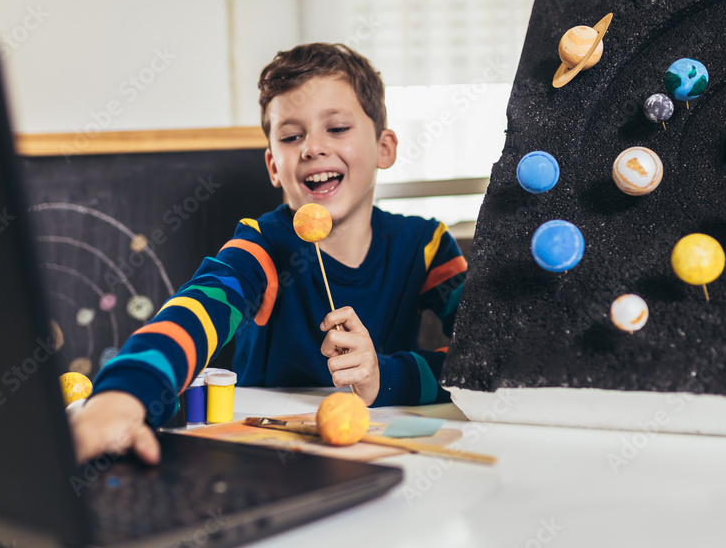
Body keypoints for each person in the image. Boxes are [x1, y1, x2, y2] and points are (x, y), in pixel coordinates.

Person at [71, 43, 468, 464]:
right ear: (274, 166)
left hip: (387, 455)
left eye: (336, 129)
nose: (312, 148)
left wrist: (386, 377)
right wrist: (120, 399)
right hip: (267, 458)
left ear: (384, 147)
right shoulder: (261, 243)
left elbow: (486, 360)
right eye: (292, 136)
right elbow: (195, 312)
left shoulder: (426, 245)